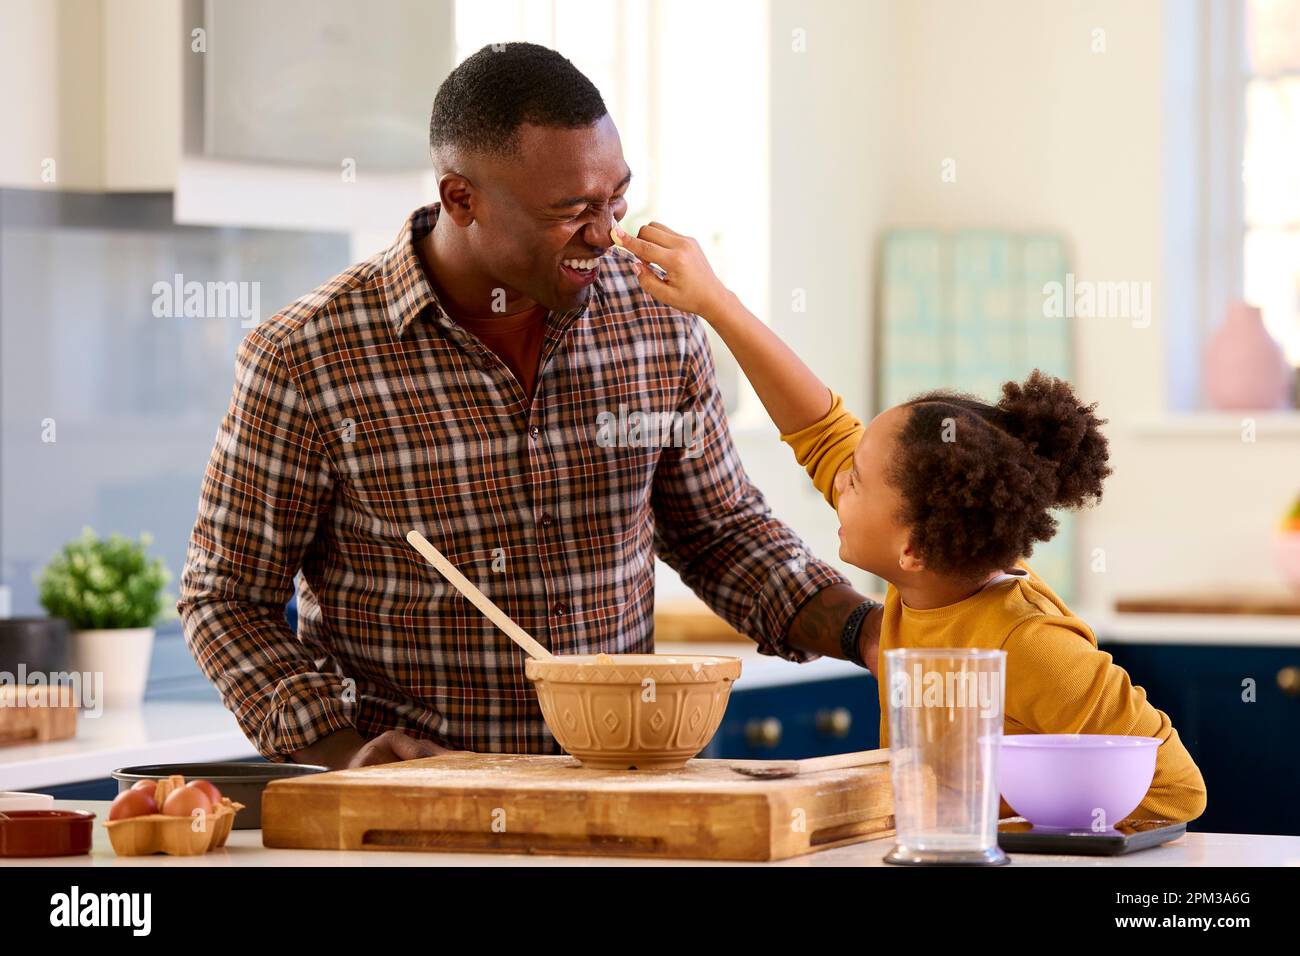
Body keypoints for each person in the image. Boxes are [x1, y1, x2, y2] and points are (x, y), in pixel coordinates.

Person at [178, 43, 884, 771]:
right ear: (462, 199)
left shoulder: (657, 320)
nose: (606, 234)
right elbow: (224, 598)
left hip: (619, 795)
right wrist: (342, 750)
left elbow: (721, 535)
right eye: (572, 211)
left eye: (616, 200)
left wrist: (866, 631)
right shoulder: (306, 356)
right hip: (416, 818)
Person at [616, 221, 1207, 823]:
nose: (836, 477)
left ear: (914, 547)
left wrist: (1006, 812)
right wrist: (717, 304)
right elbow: (817, 428)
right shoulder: (933, 577)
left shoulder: (1030, 646)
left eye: (855, 480)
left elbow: (1175, 792)